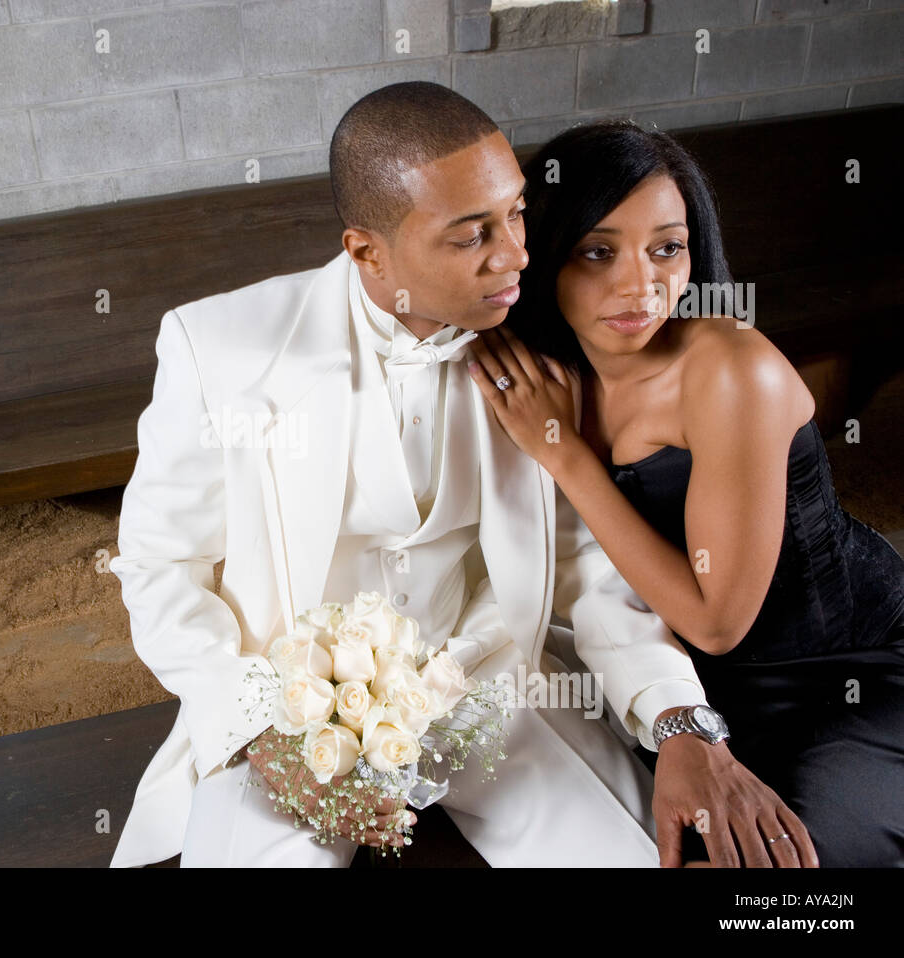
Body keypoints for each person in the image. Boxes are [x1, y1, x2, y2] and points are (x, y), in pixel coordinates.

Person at [108, 83, 809, 868]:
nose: (516, 253)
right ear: (368, 252)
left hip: (493, 688)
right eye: (472, 235)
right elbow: (160, 565)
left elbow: (587, 566)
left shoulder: (544, 346)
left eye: (514, 214)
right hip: (293, 715)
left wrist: (678, 718)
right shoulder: (221, 349)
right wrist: (256, 724)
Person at [469, 119, 904, 866]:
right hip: (685, 681)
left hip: (848, 678)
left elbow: (715, 621)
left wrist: (565, 454)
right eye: (598, 252)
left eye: (666, 248)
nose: (641, 284)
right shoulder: (544, 370)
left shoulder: (733, 369)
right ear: (544, 258)